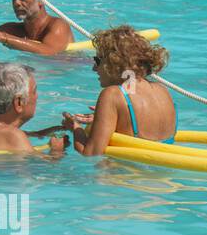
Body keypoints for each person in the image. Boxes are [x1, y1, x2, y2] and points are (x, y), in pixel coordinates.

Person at [60, 26, 176, 155]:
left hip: (126, 173)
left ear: (114, 62)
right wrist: (108, 118)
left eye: (97, 60)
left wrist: (75, 128)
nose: (94, 68)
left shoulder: (112, 95)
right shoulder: (162, 90)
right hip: (163, 173)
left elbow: (91, 153)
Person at [0, 62, 67, 157]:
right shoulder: (15, 137)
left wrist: (38, 134)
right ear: (19, 102)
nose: (37, 96)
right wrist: (57, 151)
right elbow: (43, 167)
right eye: (34, 91)